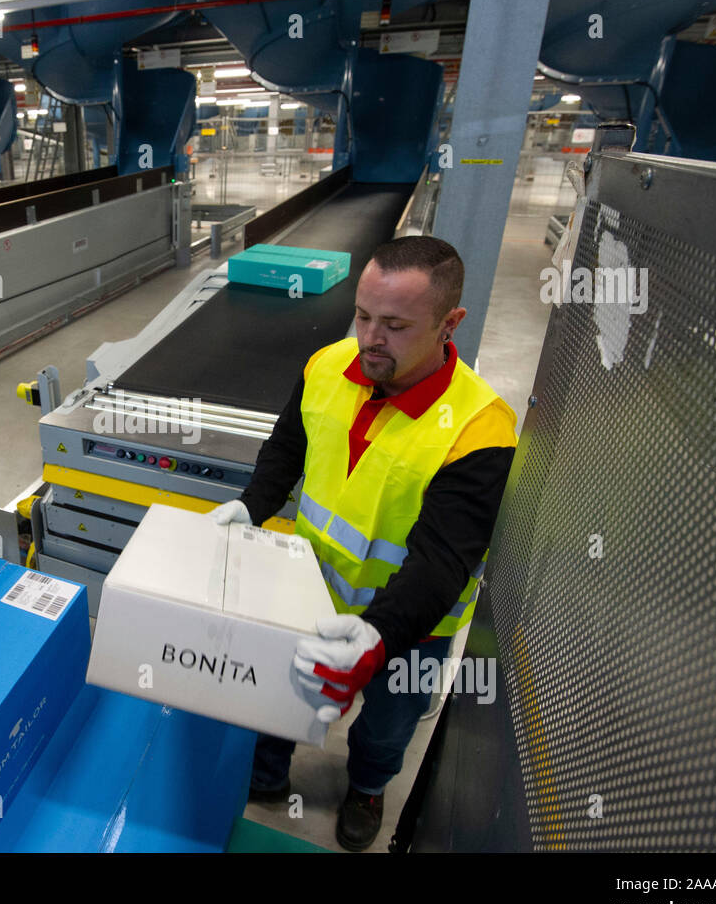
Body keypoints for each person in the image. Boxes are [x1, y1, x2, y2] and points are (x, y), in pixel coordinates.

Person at [211, 236, 518, 851]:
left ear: (450, 322)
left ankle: (367, 788)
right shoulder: (328, 366)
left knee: (384, 727)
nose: (371, 338)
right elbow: (287, 450)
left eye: (396, 325)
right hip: (309, 592)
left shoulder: (480, 428)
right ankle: (267, 778)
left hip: (410, 629)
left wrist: (380, 634)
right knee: (278, 699)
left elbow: (443, 559)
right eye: (363, 316)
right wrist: (250, 505)